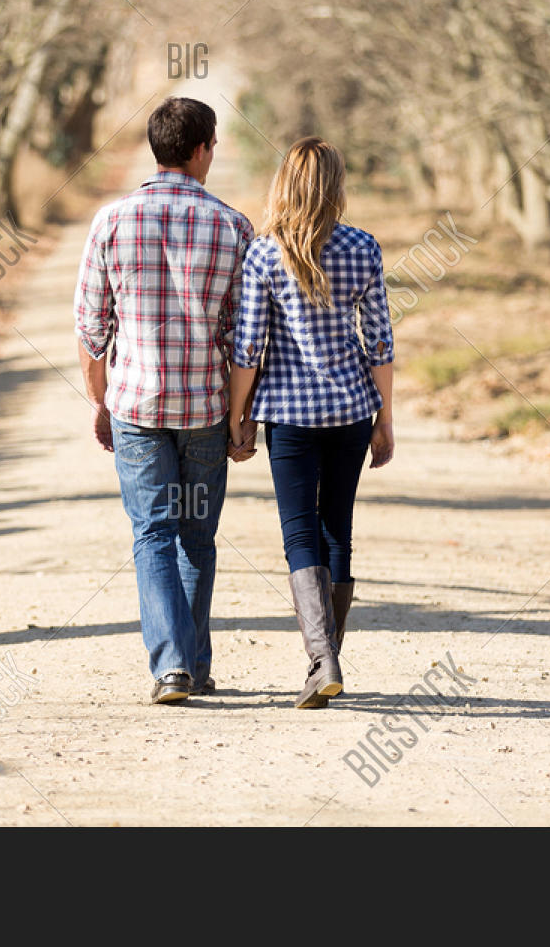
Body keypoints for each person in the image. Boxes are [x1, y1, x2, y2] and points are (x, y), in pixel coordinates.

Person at [74, 97, 253, 704]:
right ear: (202, 149)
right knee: (196, 538)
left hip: (137, 408)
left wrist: (100, 402)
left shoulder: (112, 220)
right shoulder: (233, 226)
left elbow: (92, 326)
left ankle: (174, 667)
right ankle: (192, 665)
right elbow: (243, 336)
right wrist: (240, 419)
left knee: (153, 532)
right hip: (204, 410)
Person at [228, 137, 395, 709]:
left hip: (290, 417)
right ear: (335, 185)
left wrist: (238, 415)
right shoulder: (363, 247)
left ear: (286, 184)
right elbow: (379, 341)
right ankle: (326, 660)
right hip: (351, 409)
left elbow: (247, 346)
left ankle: (324, 661)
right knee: (337, 529)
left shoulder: (264, 252)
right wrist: (385, 417)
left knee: (300, 532)